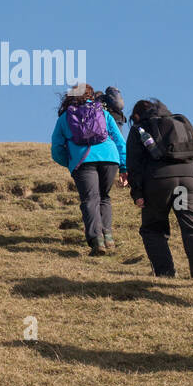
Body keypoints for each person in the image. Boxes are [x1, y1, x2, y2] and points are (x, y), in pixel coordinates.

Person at [127, 99, 193, 283]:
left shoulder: (140, 128)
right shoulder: (181, 123)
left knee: (153, 228)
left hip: (159, 181)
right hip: (190, 178)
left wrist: (137, 192)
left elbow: (134, 162)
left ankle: (166, 273)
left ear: (137, 115)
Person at [51, 82, 127, 257]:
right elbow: (119, 141)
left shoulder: (64, 118)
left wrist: (71, 162)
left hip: (83, 161)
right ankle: (108, 237)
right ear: (91, 95)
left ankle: (96, 241)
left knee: (90, 200)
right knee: (104, 197)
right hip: (110, 158)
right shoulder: (104, 113)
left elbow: (56, 149)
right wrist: (124, 166)